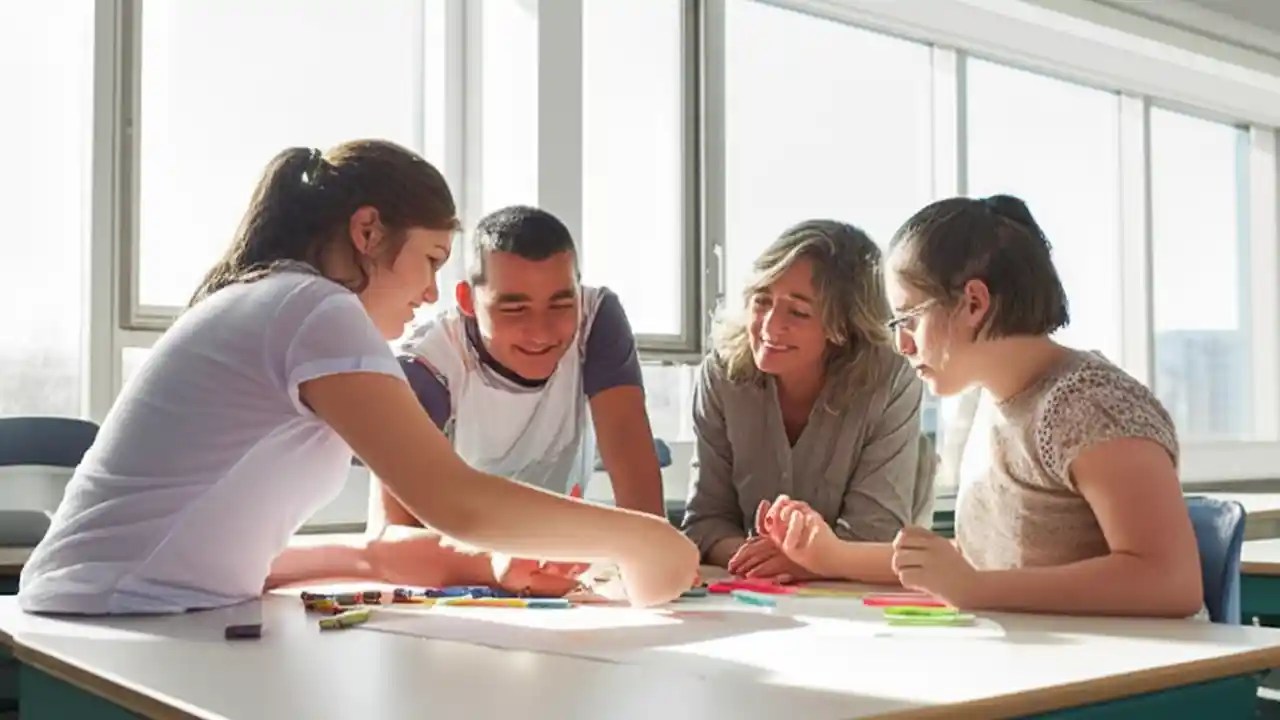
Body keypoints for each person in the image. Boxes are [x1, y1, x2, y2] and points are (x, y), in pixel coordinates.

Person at [17, 140, 697, 615]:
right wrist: (640, 537)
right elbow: (454, 499)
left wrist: (483, 565)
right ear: (368, 231)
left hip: (115, 603)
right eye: (431, 259)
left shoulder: (277, 300)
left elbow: (353, 553)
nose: (431, 293)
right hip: (107, 619)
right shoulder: (313, 308)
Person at [758, 195, 1204, 618]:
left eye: (909, 318)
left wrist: (975, 589)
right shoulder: (992, 402)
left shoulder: (1090, 404)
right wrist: (830, 556)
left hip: (1124, 681)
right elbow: (987, 563)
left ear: (974, 303)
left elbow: (1171, 580)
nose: (901, 343)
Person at [366, 205, 666, 593]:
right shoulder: (425, 367)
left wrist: (655, 553)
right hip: (455, 572)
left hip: (560, 567)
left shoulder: (597, 319)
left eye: (560, 304)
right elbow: (388, 537)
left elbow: (627, 444)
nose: (540, 332)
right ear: (467, 301)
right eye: (514, 309)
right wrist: (496, 566)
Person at [681, 220, 929, 583]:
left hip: (857, 598)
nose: (768, 327)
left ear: (843, 327)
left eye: (797, 312)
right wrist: (759, 558)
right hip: (753, 592)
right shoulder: (722, 375)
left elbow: (876, 531)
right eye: (762, 301)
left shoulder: (891, 380)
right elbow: (705, 521)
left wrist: (802, 560)